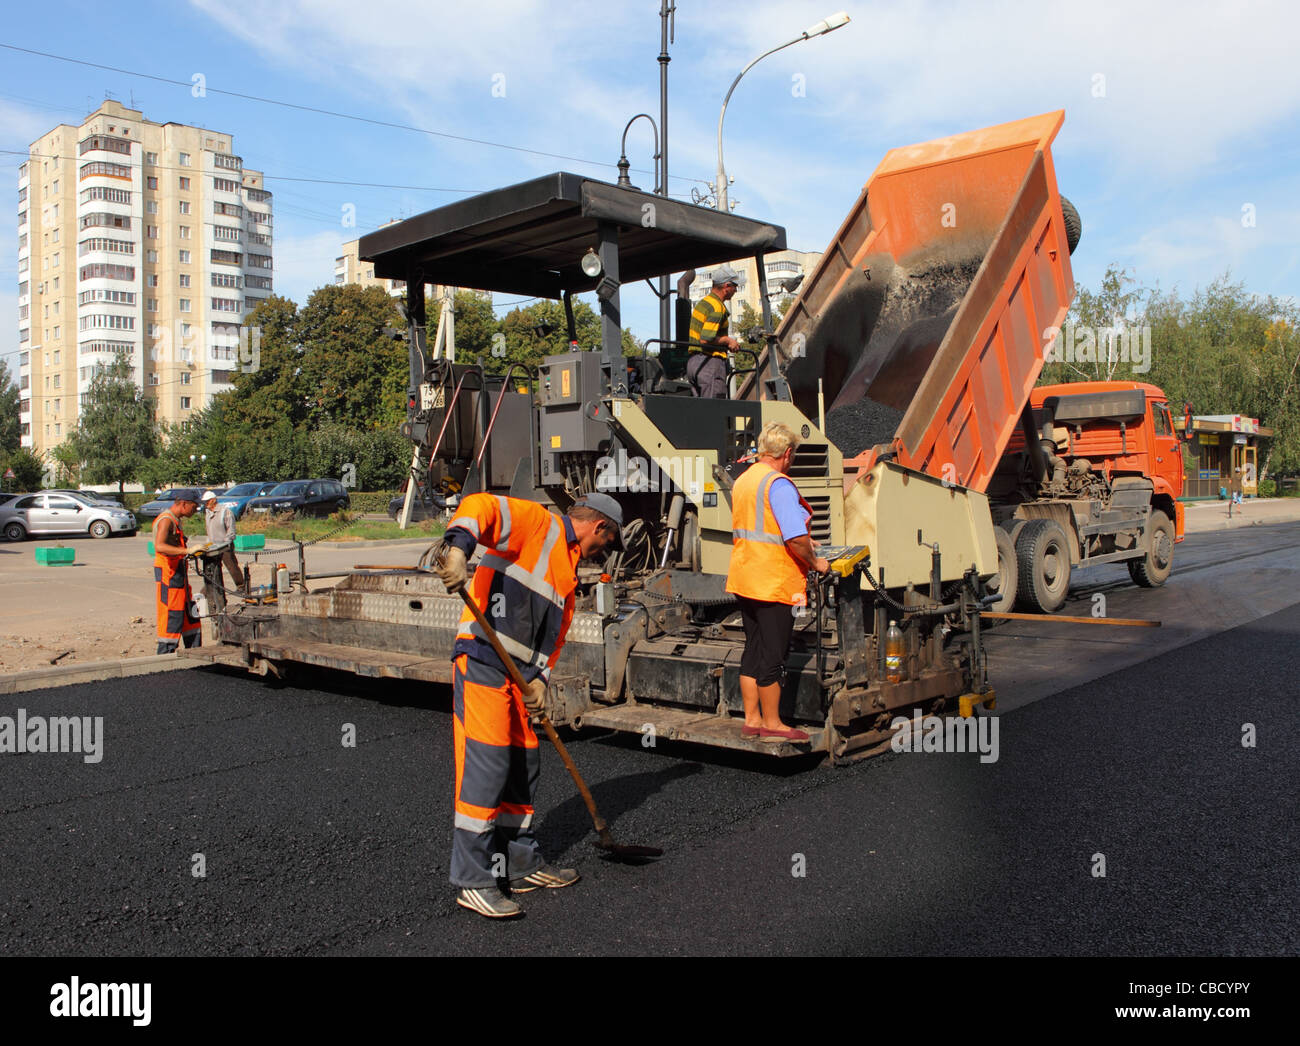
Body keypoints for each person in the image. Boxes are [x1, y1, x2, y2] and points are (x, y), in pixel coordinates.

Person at [434, 491, 624, 918]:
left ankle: (519, 864)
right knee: (488, 764)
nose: (604, 551)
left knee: (523, 763)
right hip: (483, 658)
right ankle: (474, 878)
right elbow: (480, 507)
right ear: (599, 527)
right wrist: (458, 551)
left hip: (520, 679)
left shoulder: (567, 574)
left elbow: (550, 642)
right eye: (608, 541)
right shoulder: (537, 523)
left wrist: (540, 682)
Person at [726, 423, 829, 742]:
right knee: (774, 652)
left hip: (746, 577)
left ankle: (752, 719)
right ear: (787, 453)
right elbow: (795, 537)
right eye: (794, 453)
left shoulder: (745, 480)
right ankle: (773, 723)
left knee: (753, 648)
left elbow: (762, 528)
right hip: (773, 580)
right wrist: (816, 561)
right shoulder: (779, 485)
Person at [153, 488, 203, 654]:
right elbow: (160, 546)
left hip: (179, 577)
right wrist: (186, 551)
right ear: (183, 504)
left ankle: (194, 653)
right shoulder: (166, 520)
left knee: (191, 617)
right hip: (170, 577)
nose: (195, 510)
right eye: (194, 507)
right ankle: (164, 658)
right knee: (171, 619)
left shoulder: (175, 520)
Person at [686, 265, 742, 398]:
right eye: (735, 286)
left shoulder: (704, 303)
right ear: (726, 286)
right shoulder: (717, 307)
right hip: (709, 363)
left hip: (693, 363)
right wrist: (728, 341)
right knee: (714, 410)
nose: (736, 290)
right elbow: (705, 339)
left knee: (701, 411)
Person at [201, 490, 244, 594]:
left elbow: (231, 531)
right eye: (204, 502)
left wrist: (226, 543)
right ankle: (211, 588)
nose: (205, 504)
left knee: (231, 566)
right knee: (212, 568)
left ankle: (241, 586)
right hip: (213, 546)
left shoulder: (225, 511)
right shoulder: (208, 513)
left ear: (214, 500)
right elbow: (209, 530)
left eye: (207, 501)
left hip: (225, 545)